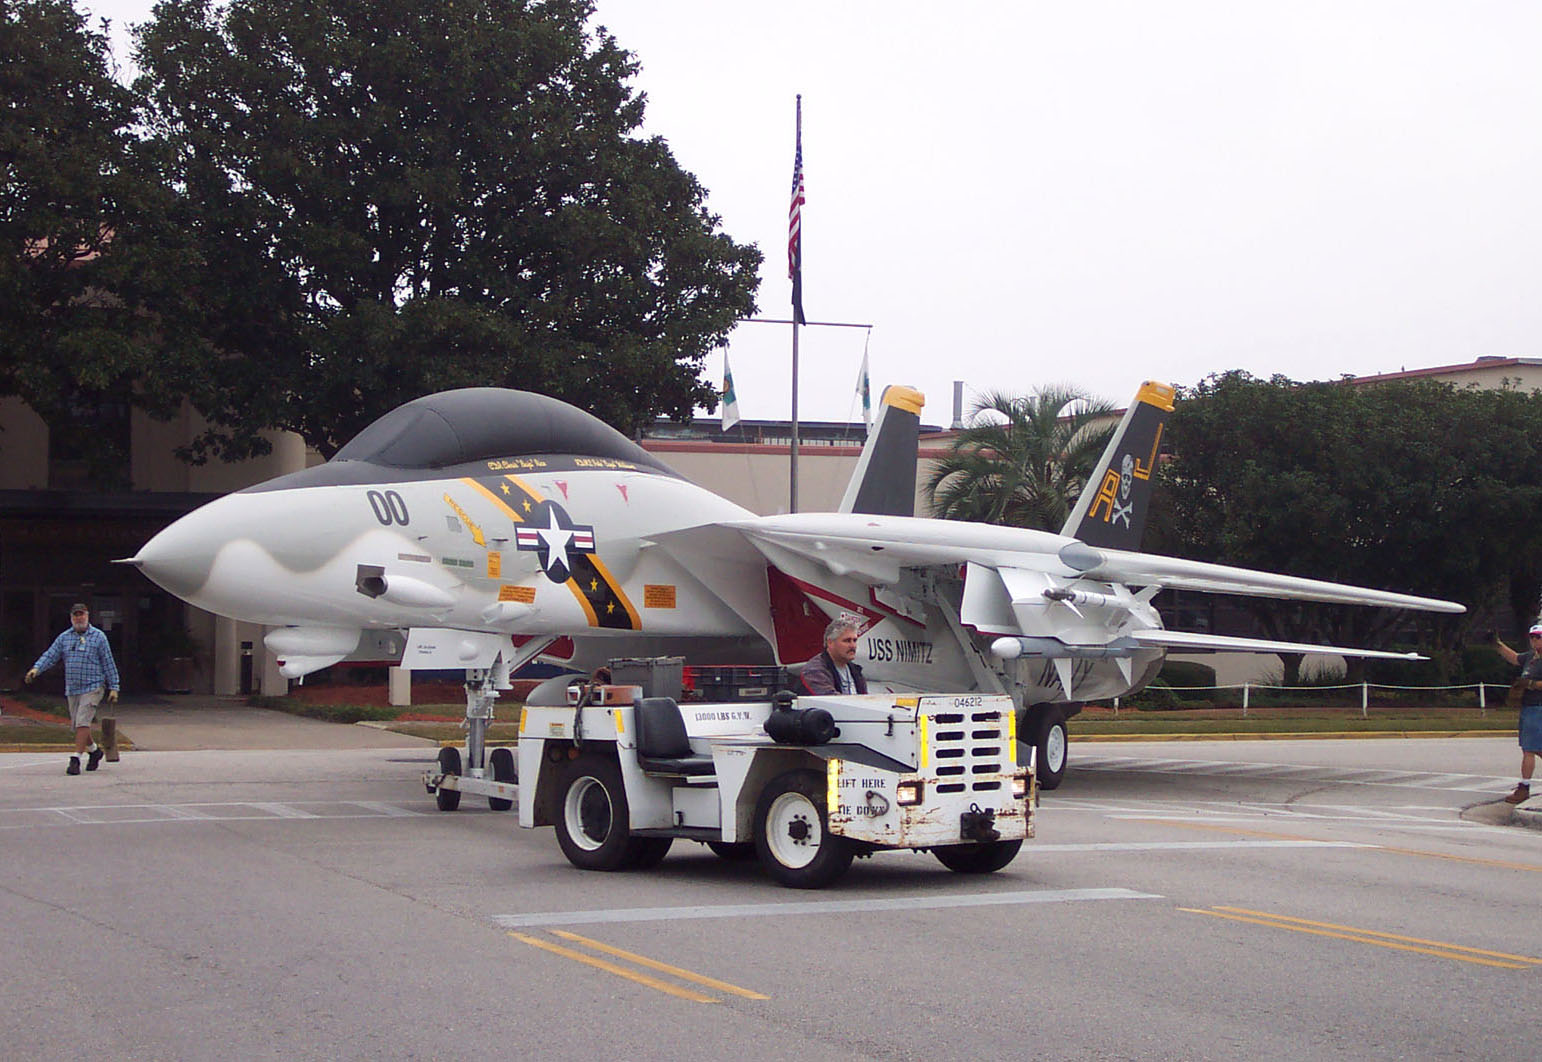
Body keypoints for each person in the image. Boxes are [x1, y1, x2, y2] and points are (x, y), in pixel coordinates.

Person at [25, 603, 120, 775]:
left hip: (93, 686)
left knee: (83, 721)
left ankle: (75, 758)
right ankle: (94, 751)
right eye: (76, 615)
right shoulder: (64, 638)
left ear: (88, 616)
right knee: (78, 725)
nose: (79, 618)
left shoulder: (99, 637)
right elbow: (51, 655)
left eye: (81, 614)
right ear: (71, 618)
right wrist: (36, 669)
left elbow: (108, 662)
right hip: (73, 688)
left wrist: (114, 687)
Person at [1493, 624, 1542, 804]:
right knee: (1532, 747)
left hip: (1538, 708)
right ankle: (1524, 786)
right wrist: (1498, 645)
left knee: (1529, 749)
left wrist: (1531, 685)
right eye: (1532, 636)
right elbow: (1514, 658)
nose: (1534, 640)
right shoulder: (1530, 657)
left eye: (1538, 636)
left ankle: (1524, 788)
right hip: (1528, 707)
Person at [799, 619, 867, 695]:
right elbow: (830, 701)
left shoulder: (856, 671)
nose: (853, 646)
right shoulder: (814, 670)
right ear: (830, 642)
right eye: (847, 641)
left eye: (854, 640)